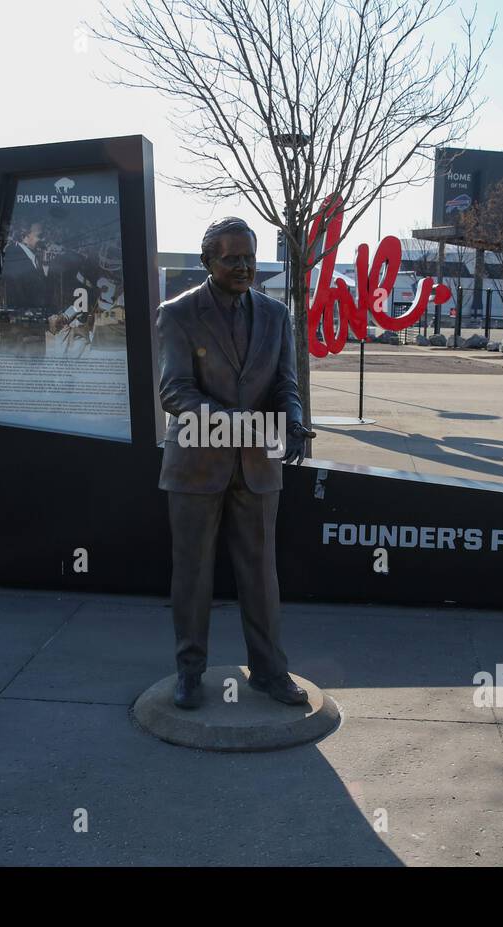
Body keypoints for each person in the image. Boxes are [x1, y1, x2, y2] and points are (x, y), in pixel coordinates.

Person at [156, 217, 316, 710]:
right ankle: (189, 672)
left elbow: (285, 382)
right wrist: (236, 423)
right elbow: (174, 391)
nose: (244, 266)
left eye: (249, 256)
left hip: (259, 464)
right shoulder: (178, 314)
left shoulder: (275, 315)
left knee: (261, 574)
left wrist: (292, 417)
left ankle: (269, 671)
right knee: (193, 574)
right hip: (196, 465)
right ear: (207, 261)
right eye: (232, 258)